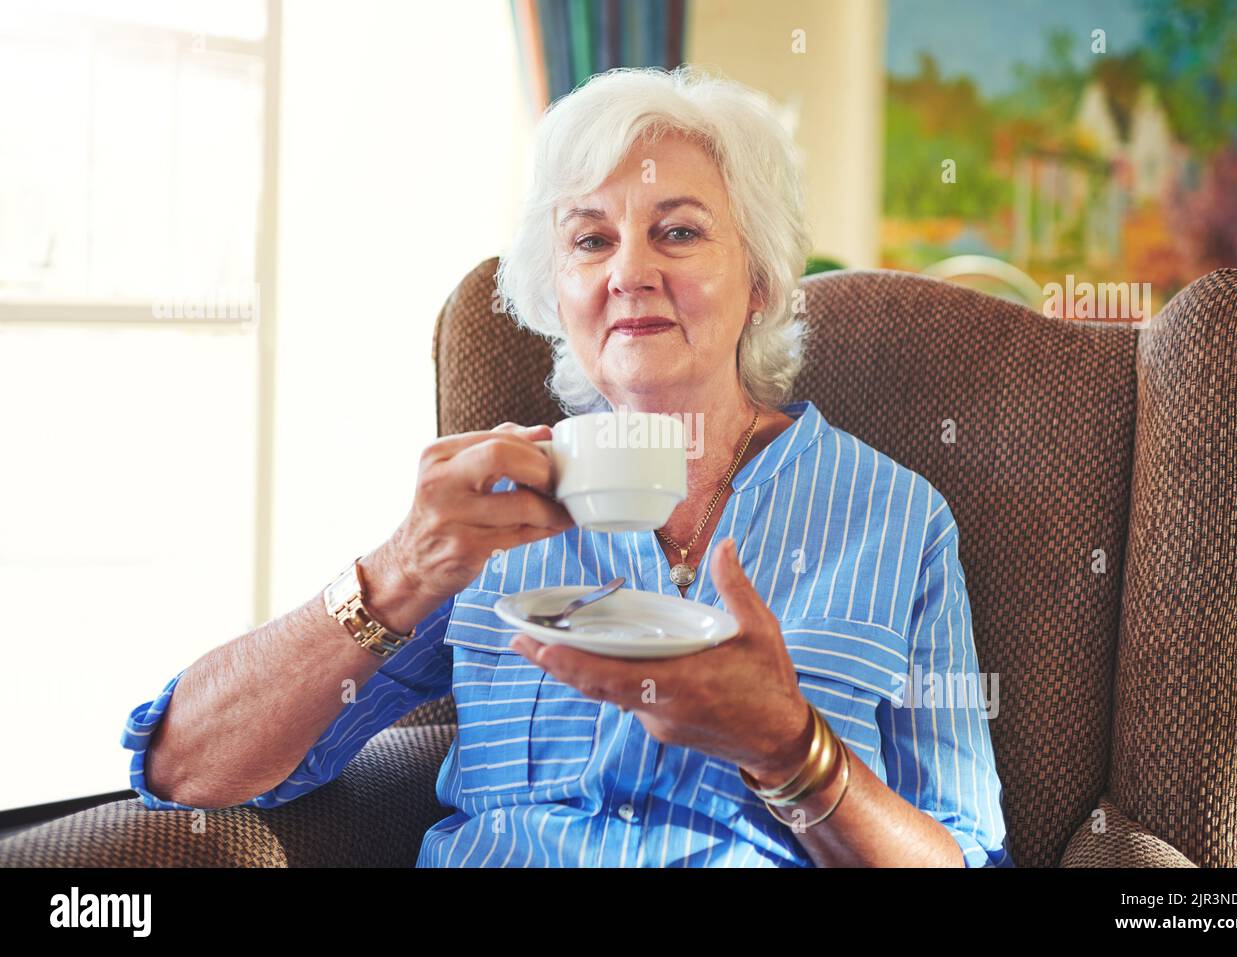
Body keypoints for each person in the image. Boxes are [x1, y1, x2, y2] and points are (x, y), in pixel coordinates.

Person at [122, 65, 1013, 868]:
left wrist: (789, 747)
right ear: (559, 293)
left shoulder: (897, 516)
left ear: (764, 280)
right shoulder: (490, 509)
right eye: (590, 240)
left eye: (679, 231)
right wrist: (402, 566)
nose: (629, 271)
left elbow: (963, 858)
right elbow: (187, 764)